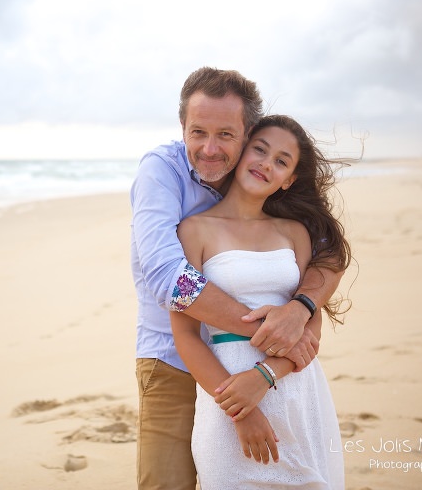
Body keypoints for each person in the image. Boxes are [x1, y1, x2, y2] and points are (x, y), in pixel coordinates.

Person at [130, 67, 344, 489]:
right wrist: (276, 330)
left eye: (225, 135)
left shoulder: (278, 209)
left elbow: (327, 254)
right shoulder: (163, 172)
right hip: (172, 359)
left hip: (286, 383)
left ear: (246, 135)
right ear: (183, 129)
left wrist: (298, 313)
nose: (209, 149)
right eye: (198, 132)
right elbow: (169, 279)